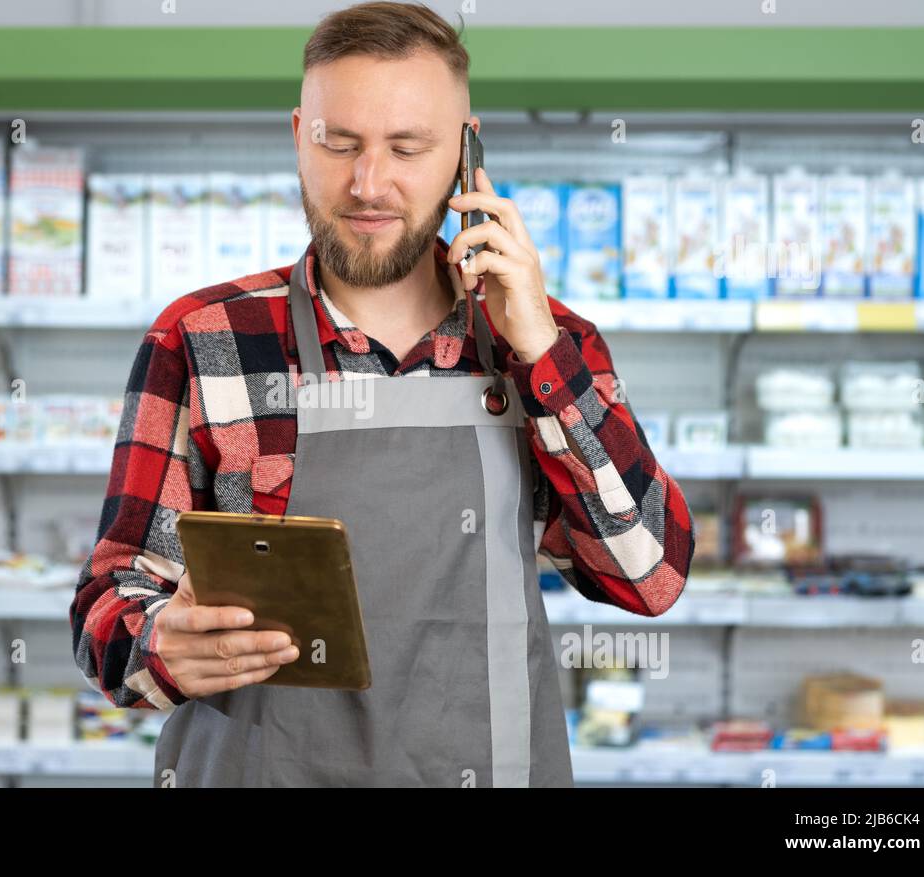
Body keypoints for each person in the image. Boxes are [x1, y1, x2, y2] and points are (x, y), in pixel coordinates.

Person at [70, 0, 695, 787]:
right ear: (298, 135)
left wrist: (538, 351)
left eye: (407, 148)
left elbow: (651, 576)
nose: (369, 185)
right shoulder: (202, 340)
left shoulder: (543, 346)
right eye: (340, 143)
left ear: (468, 154)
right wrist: (163, 643)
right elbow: (108, 608)